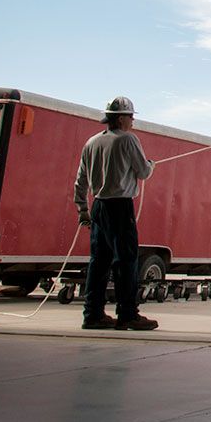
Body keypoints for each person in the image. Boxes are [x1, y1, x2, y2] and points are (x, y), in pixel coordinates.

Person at [73, 96, 158, 331]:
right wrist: (152, 165)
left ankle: (92, 314)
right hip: (120, 207)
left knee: (98, 263)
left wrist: (83, 209)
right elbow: (143, 172)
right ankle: (128, 314)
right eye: (131, 117)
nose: (132, 122)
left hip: (98, 206)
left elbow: (80, 181)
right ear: (121, 118)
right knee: (126, 261)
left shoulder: (91, 143)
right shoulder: (128, 140)